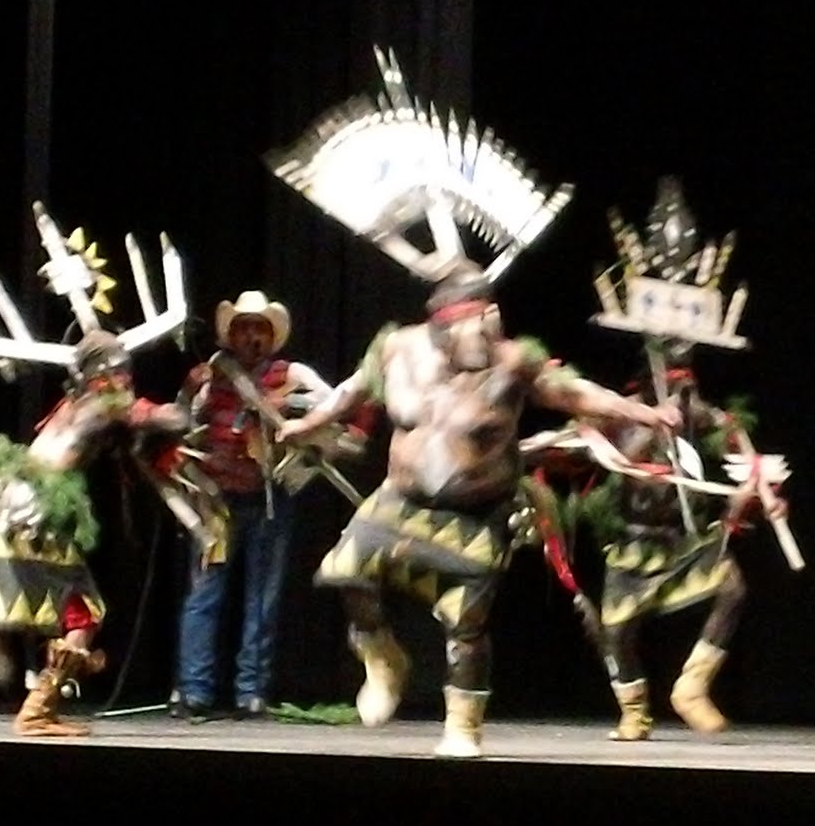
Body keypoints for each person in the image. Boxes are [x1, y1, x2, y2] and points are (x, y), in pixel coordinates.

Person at [278, 264, 681, 756]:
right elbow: (353, 390)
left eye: (489, 325)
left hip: (477, 512)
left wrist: (642, 412)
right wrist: (311, 423)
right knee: (343, 573)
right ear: (440, 327)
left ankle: (462, 728)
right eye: (470, 328)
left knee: (464, 623)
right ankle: (383, 657)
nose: (481, 339)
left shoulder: (514, 362)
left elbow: (577, 393)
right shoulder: (396, 349)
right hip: (398, 500)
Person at [0, 204, 217, 736]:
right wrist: (191, 395)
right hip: (38, 511)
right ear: (109, 373)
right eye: (120, 367)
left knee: (61, 603)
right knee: (84, 610)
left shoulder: (69, 410)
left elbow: (137, 447)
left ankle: (4, 627)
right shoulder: (107, 404)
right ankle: (38, 705)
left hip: (4, 505)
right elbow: (169, 418)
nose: (126, 374)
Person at [560, 342, 785, 741]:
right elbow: (572, 445)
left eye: (686, 384)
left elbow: (741, 447)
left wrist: (765, 494)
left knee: (731, 587)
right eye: (672, 382)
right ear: (648, 381)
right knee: (616, 632)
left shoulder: (697, 414)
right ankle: (634, 711)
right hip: (632, 544)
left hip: (681, 542)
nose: (682, 395)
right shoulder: (618, 415)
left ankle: (692, 687)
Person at [168, 290, 358, 721]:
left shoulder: (293, 374)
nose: (251, 336)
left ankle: (250, 691)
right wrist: (186, 415)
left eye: (259, 328)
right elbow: (179, 423)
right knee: (203, 595)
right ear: (231, 334)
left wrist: (294, 412)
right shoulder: (207, 376)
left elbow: (339, 412)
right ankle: (193, 689)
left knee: (261, 598)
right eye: (243, 328)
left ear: (271, 336)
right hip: (213, 502)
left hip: (270, 501)